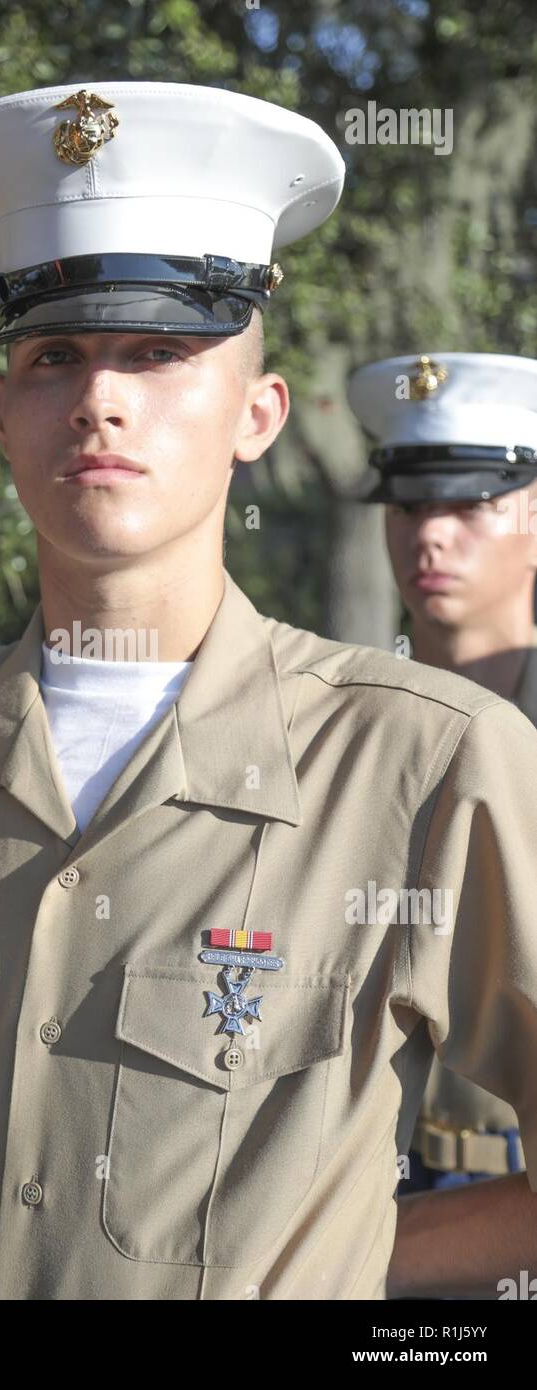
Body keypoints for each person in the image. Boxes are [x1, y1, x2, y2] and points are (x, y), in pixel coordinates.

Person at [0, 81, 537, 1301]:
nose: (99, 397)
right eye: (54, 354)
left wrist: (337, 1264)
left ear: (256, 414)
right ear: (1, 409)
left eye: (157, 350)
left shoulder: (422, 761)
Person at [349, 350, 537, 1198]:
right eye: (412, 503)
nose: (430, 532)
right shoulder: (342, 725)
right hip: (356, 1186)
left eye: (469, 505)